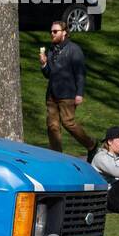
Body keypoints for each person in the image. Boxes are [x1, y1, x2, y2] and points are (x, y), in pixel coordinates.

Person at [40, 20, 96, 160]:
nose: (52, 34)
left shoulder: (74, 49)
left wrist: (79, 93)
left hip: (68, 94)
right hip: (52, 94)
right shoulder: (51, 49)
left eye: (55, 31)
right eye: (51, 31)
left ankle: (91, 145)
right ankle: (56, 156)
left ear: (64, 32)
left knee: (68, 123)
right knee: (52, 126)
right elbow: (48, 74)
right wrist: (44, 64)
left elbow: (80, 73)